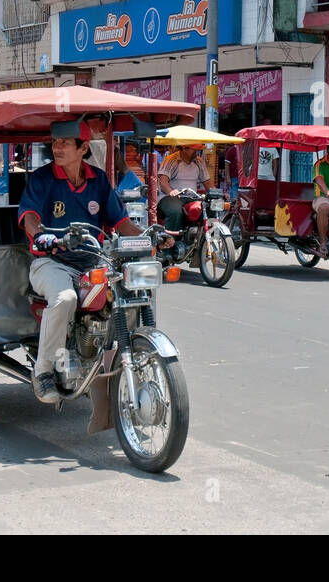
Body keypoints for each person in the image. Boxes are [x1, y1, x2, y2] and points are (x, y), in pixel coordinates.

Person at [19, 120, 141, 404]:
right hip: (51, 262)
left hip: (92, 261)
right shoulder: (42, 179)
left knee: (128, 292)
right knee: (64, 299)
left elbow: (121, 221)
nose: (56, 147)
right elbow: (30, 218)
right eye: (55, 142)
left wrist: (150, 239)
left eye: (64, 143)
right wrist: (42, 237)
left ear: (83, 147)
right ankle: (44, 372)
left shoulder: (98, 180)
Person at [157, 143, 213, 247]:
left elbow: (208, 183)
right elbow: (163, 181)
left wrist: (216, 194)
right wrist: (171, 191)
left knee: (209, 209)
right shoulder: (171, 160)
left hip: (191, 197)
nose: (196, 153)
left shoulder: (199, 161)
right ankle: (169, 243)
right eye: (194, 150)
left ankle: (201, 242)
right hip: (169, 197)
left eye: (197, 151)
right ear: (184, 148)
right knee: (175, 212)